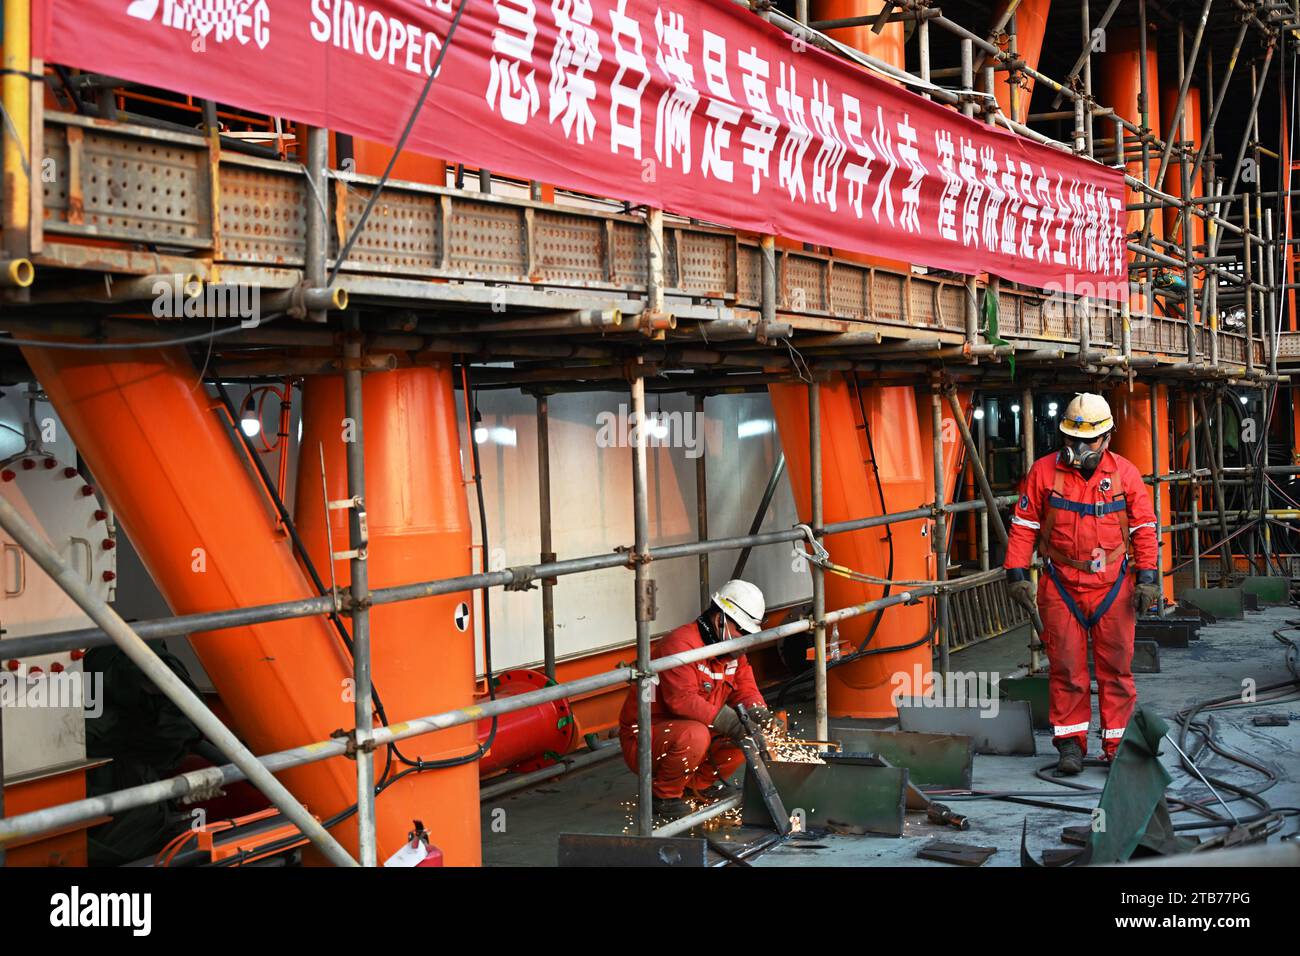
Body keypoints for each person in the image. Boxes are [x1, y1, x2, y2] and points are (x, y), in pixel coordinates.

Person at [1004, 393, 1161, 775]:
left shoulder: (1125, 475)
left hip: (1113, 588)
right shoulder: (1043, 473)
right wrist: (1017, 573)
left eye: (1088, 441)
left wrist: (1148, 578)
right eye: (1073, 440)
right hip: (1062, 587)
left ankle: (1117, 745)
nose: (1080, 448)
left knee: (1116, 671)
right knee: (1066, 669)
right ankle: (1071, 746)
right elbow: (1024, 527)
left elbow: (1143, 528)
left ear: (1106, 438)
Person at [618, 579, 771, 819]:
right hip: (647, 736)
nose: (746, 642)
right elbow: (682, 700)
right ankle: (664, 796)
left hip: (696, 727)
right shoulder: (680, 645)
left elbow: (746, 688)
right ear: (721, 620)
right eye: (743, 631)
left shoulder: (731, 649)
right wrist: (733, 723)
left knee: (750, 733)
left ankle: (697, 786)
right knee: (696, 734)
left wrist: (759, 713)